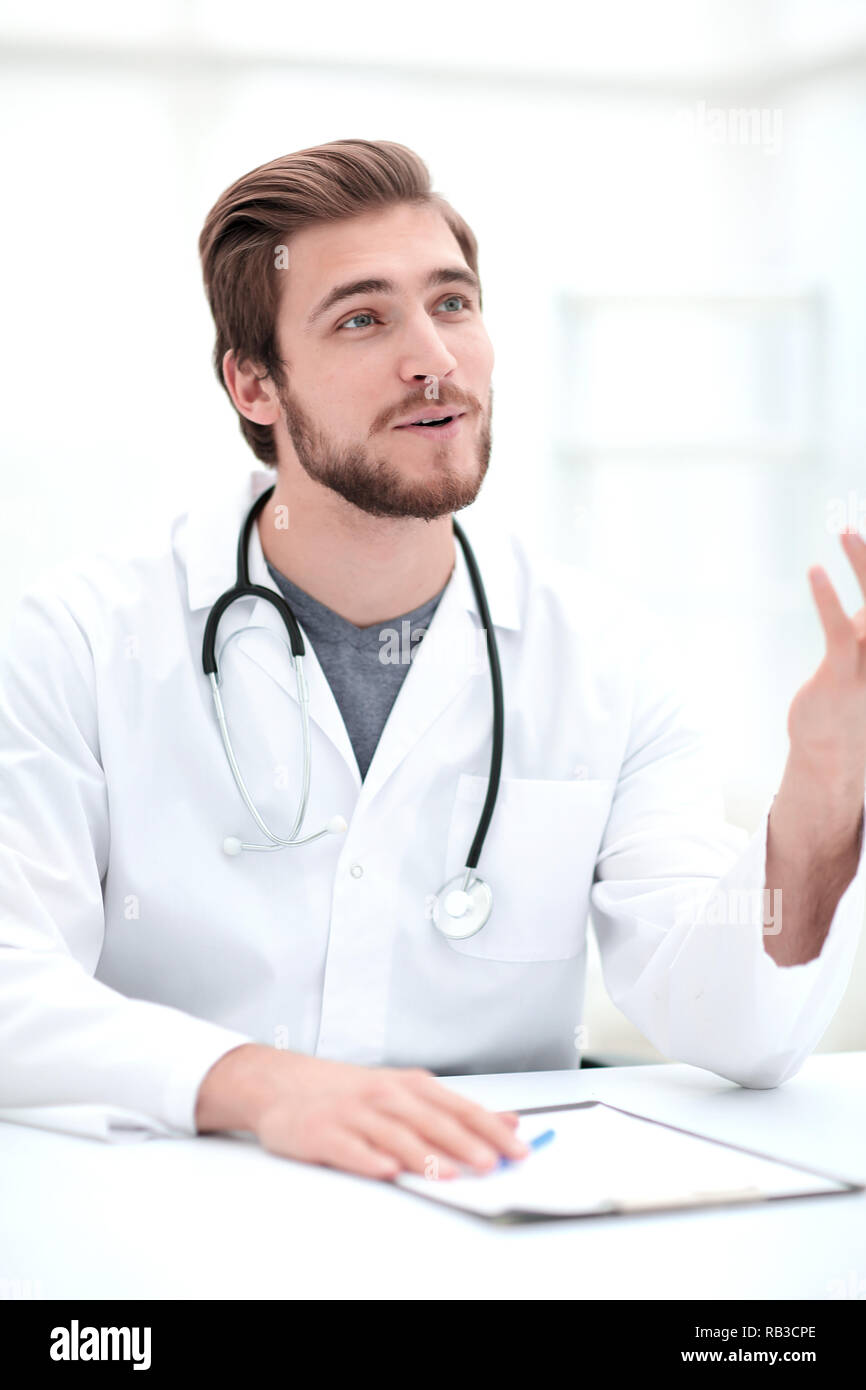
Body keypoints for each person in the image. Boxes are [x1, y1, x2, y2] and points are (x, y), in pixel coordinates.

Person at [2, 139, 865, 1184]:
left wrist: (821, 798)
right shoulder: (78, 643)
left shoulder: (605, 656)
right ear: (254, 382)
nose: (434, 360)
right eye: (363, 319)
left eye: (451, 305)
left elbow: (737, 1028)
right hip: (172, 1213)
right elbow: (13, 981)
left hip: (490, 1219)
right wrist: (260, 1081)